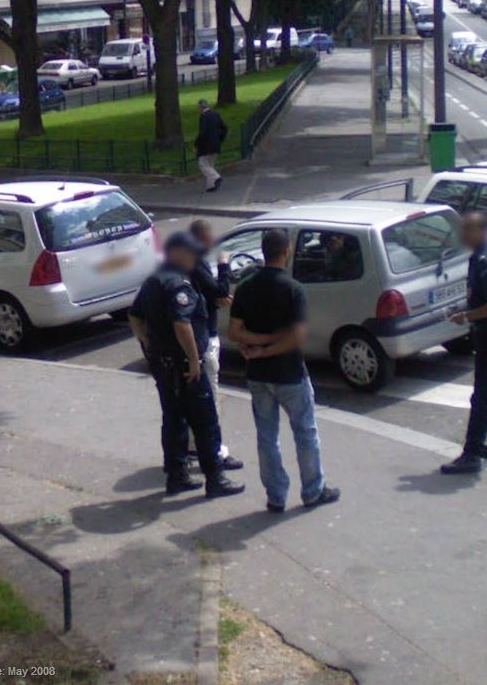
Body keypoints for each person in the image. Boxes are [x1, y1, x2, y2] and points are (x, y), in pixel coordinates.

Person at [228, 229, 340, 512]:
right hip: (289, 373)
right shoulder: (293, 289)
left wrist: (257, 345)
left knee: (267, 436)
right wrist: (269, 346)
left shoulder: (246, 287)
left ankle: (276, 495)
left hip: (257, 375)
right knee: (305, 432)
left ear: (263, 252)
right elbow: (297, 337)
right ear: (287, 251)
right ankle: (313, 491)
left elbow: (234, 331)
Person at [129, 231, 244, 499]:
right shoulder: (179, 284)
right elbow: (182, 325)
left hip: (162, 363)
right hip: (184, 366)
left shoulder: (154, 280)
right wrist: (193, 360)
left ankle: (177, 476)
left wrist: (147, 344)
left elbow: (134, 316)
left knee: (174, 420)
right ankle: (216, 479)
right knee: (204, 422)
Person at [440, 212, 487, 475]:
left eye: (467, 230)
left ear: (481, 231)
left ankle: (471, 453)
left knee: (484, 394)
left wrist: (466, 317)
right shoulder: (486, 253)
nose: (462, 235)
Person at [186, 219, 243, 471]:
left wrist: (216, 296)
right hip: (205, 337)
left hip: (198, 336)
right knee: (211, 397)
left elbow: (213, 294)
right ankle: (216, 452)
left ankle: (191, 448)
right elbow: (219, 290)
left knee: (197, 398)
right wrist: (223, 265)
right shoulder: (196, 264)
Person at [194, 99, 228, 193]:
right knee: (210, 165)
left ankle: (216, 178)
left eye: (198, 107)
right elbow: (224, 128)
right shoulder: (215, 114)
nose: (198, 109)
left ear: (201, 107)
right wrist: (220, 139)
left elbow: (203, 133)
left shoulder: (204, 116)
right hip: (216, 144)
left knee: (203, 164)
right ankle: (211, 186)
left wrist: (197, 144)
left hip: (206, 145)